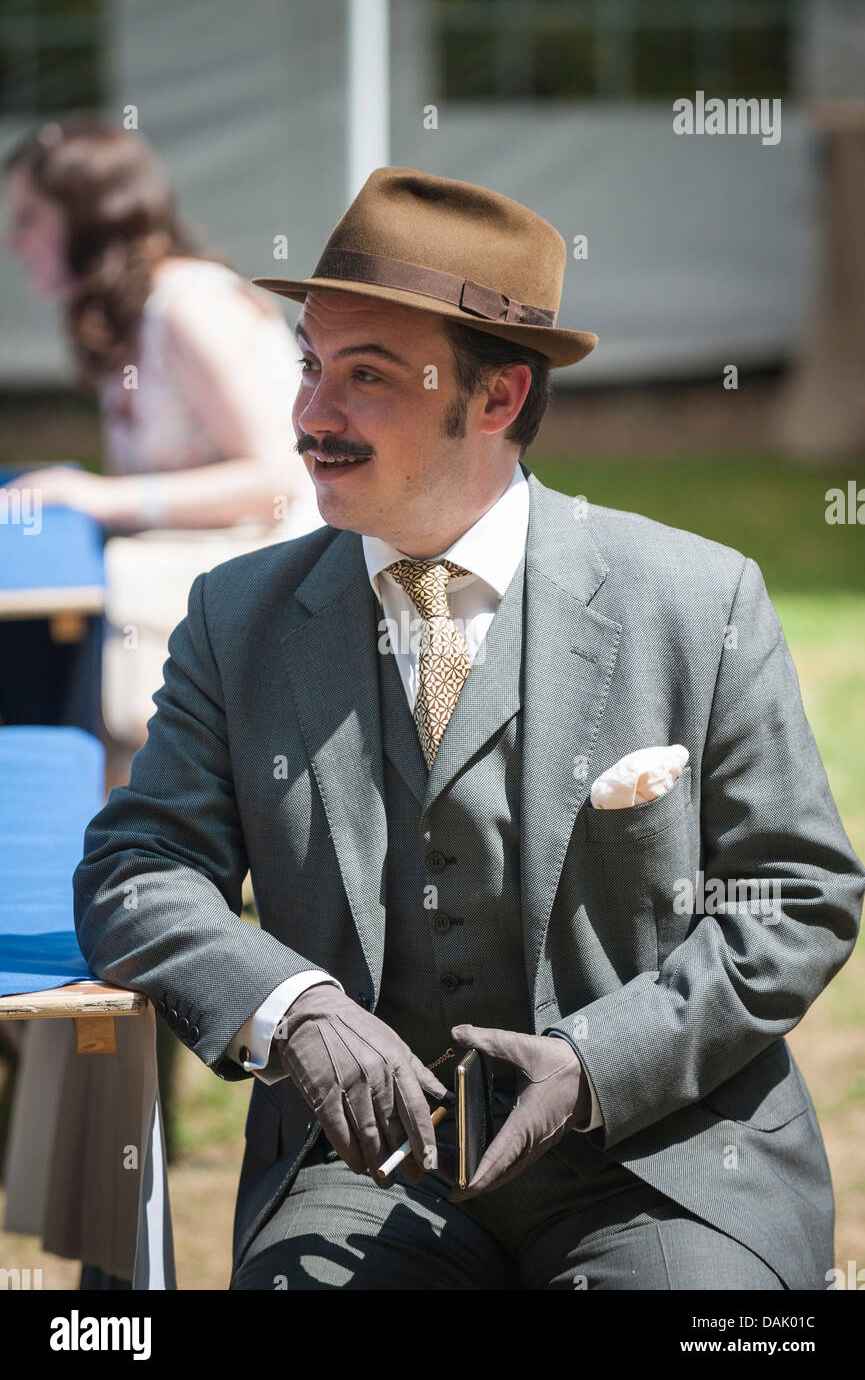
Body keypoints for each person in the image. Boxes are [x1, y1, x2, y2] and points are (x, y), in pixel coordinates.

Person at [73, 167, 865, 1291]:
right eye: (310, 364)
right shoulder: (236, 617)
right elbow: (138, 867)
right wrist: (291, 1005)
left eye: (368, 377)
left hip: (659, 1158)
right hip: (366, 1170)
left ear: (495, 399)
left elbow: (795, 892)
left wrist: (596, 1064)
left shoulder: (696, 598)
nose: (309, 416)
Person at [1, 115, 320, 746]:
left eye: (30, 217)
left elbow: (278, 478)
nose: (15, 242)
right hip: (215, 579)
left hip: (285, 590)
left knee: (43, 633)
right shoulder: (131, 309)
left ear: (90, 214)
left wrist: (97, 496)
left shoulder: (186, 303)